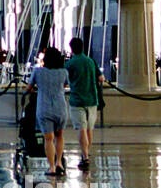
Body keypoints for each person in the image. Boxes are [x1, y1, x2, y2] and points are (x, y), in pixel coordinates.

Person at [27, 46, 70, 176]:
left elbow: (29, 87)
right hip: (60, 107)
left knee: (48, 138)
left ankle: (51, 167)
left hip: (44, 107)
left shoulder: (37, 72)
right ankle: (59, 163)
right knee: (59, 135)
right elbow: (65, 85)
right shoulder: (64, 72)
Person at [65, 37, 106, 170]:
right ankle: (86, 154)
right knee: (89, 129)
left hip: (77, 100)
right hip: (92, 100)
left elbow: (64, 81)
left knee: (81, 128)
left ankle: (85, 157)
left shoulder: (70, 64)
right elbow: (101, 78)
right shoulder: (91, 61)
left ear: (71, 49)